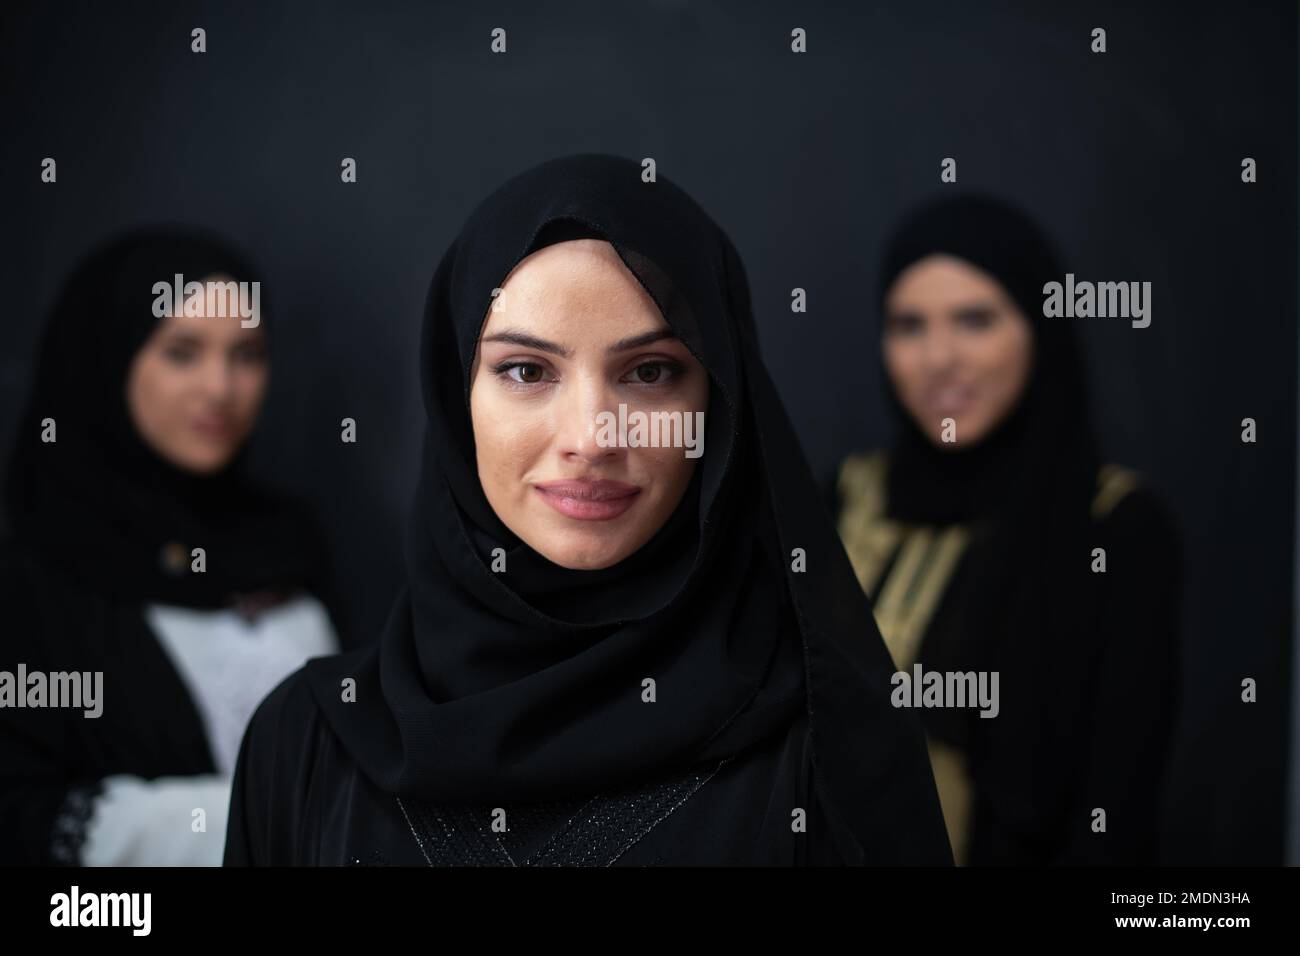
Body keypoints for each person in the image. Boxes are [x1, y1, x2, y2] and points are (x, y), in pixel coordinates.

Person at [224, 154, 952, 866]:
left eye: (650, 372)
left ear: (721, 408)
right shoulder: (304, 745)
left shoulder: (828, 751)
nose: (592, 438)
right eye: (526, 371)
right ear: (455, 401)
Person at [828, 194, 1181, 865]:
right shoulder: (848, 495)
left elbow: (1117, 812)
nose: (939, 358)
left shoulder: (1115, 529)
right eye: (908, 325)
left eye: (975, 320)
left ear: (1040, 328)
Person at [0, 229, 342, 865]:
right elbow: (21, 817)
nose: (220, 387)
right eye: (182, 352)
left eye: (247, 354)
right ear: (107, 359)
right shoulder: (36, 581)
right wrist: (271, 820)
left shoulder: (288, 540)